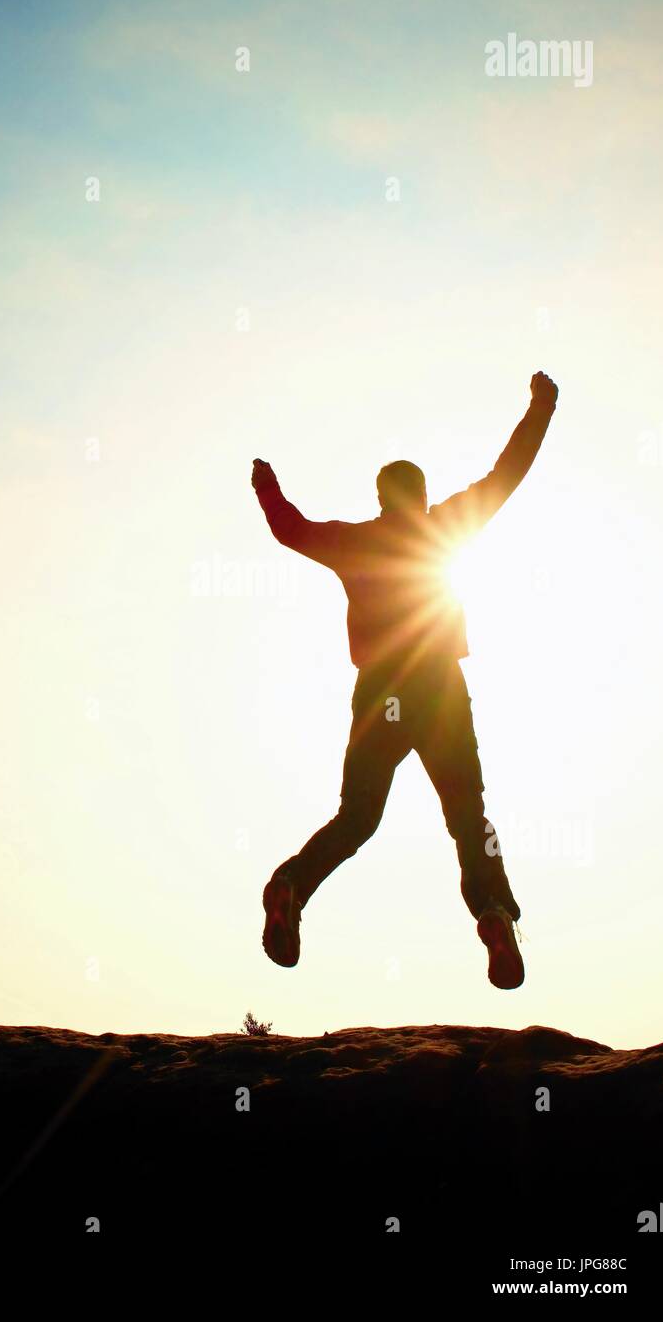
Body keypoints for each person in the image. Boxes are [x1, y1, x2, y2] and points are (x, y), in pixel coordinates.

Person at [252, 371, 559, 989]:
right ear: (420, 497)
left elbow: (291, 529)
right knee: (469, 816)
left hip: (381, 692)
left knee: (358, 817)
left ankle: (292, 885)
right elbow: (508, 474)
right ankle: (493, 914)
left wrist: (266, 486)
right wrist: (542, 407)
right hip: (438, 689)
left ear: (380, 499)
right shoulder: (443, 527)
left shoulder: (354, 541)